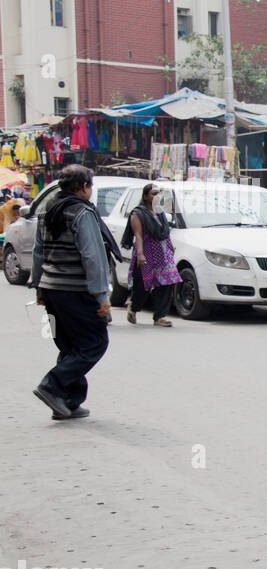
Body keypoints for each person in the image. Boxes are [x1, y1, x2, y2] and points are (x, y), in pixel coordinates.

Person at [30, 165, 118, 420]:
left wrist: (38, 285)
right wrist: (102, 296)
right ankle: (52, 385)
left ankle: (67, 401)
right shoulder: (81, 212)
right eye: (89, 186)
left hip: (52, 289)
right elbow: (93, 256)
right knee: (95, 343)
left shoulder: (48, 210)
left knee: (70, 346)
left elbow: (38, 250)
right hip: (76, 290)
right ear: (83, 187)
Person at [125, 184, 181, 327]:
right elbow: (138, 236)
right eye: (153, 194)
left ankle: (160, 317)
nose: (156, 196)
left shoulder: (160, 212)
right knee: (142, 287)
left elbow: (165, 232)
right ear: (145, 196)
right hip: (146, 254)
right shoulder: (138, 214)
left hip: (163, 255)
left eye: (158, 193)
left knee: (167, 283)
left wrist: (170, 246)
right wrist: (140, 255)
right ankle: (134, 307)